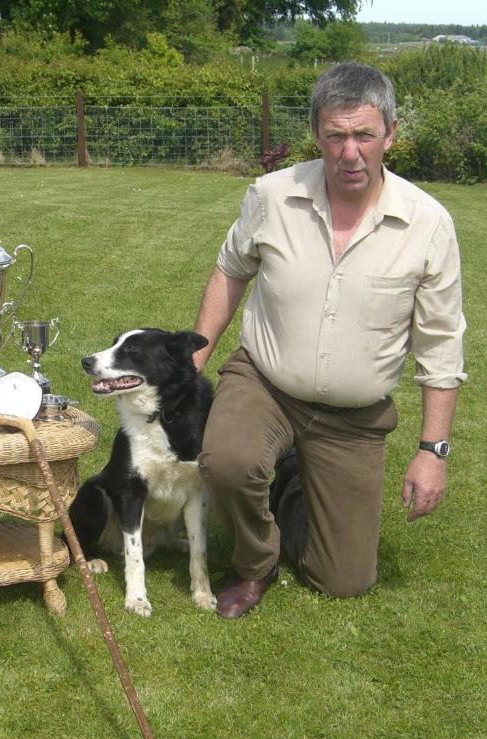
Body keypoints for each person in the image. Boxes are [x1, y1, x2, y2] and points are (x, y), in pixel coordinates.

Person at [193, 62, 466, 619]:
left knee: (343, 579)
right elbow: (230, 270)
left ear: (390, 133)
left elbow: (440, 347)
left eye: (364, 135)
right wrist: (190, 361)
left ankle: (290, 485)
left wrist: (432, 451)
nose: (350, 152)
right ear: (316, 133)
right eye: (336, 135)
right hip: (265, 382)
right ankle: (254, 563)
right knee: (226, 460)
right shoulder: (271, 195)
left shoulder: (429, 225)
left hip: (353, 415)